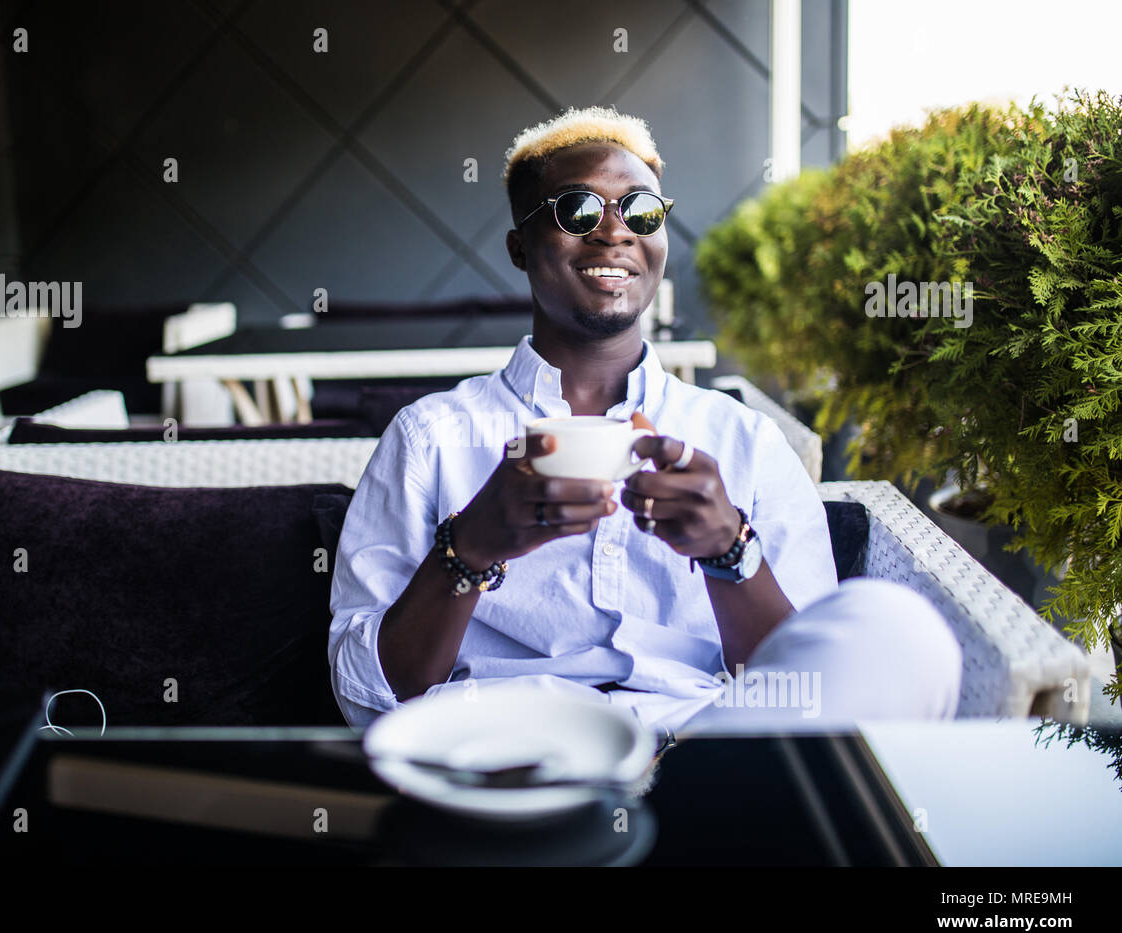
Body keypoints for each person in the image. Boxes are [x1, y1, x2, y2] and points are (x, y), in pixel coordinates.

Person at [327, 106, 961, 741]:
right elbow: (369, 694)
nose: (614, 233)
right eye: (577, 210)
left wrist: (730, 552)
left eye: (641, 211)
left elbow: (799, 676)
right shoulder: (428, 437)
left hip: (700, 749)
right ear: (521, 247)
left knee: (903, 631)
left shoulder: (744, 441)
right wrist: (468, 548)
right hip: (505, 748)